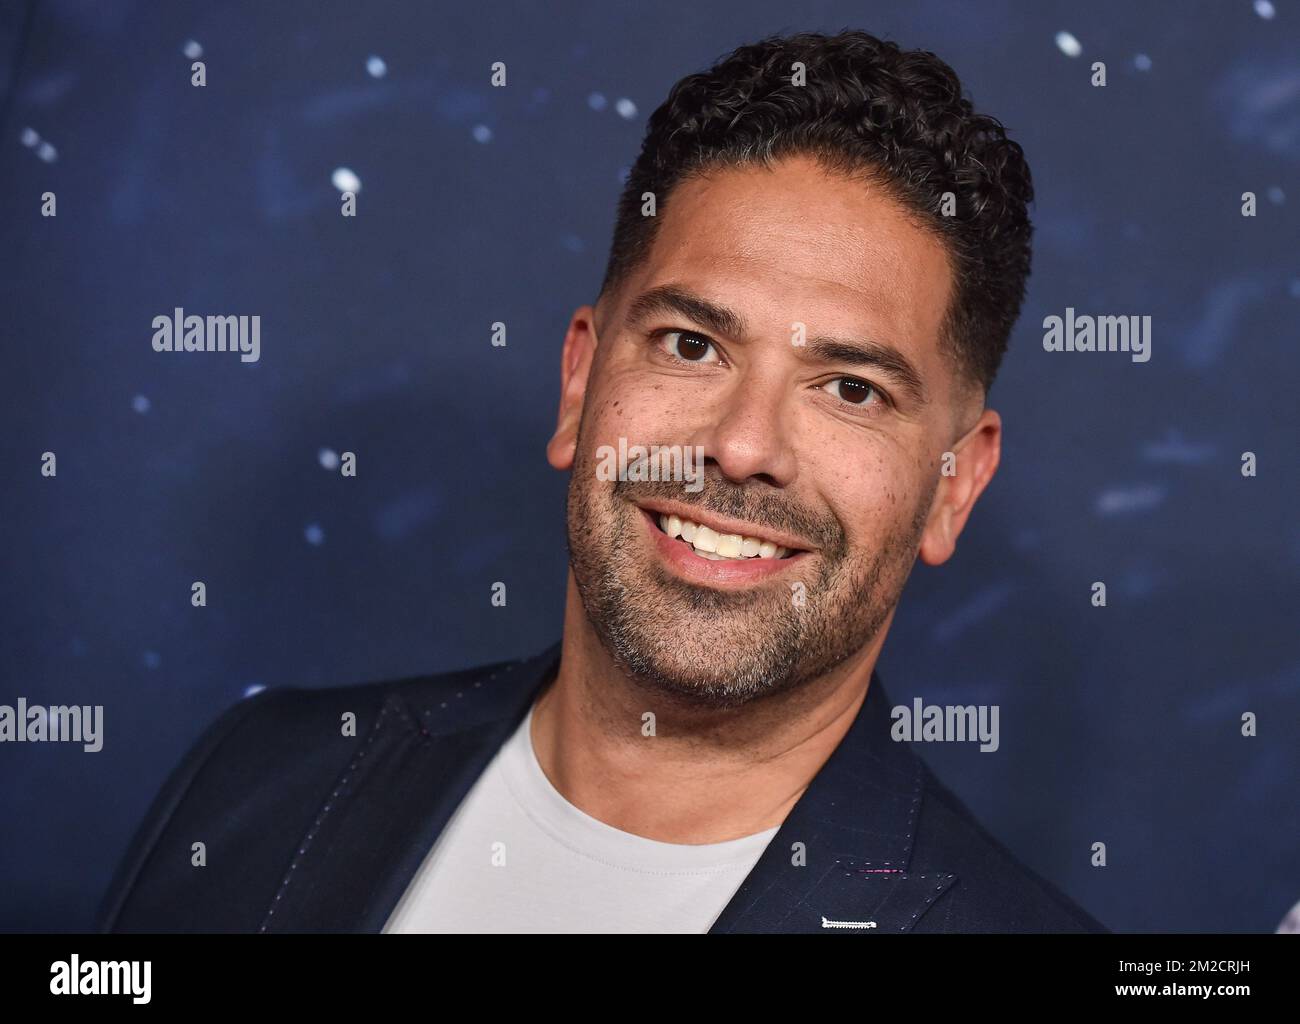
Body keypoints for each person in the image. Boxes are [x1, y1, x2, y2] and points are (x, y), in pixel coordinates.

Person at [99, 29, 1107, 934]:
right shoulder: (260, 777)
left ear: (952, 484)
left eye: (848, 388)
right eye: (690, 343)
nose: (743, 445)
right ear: (579, 381)